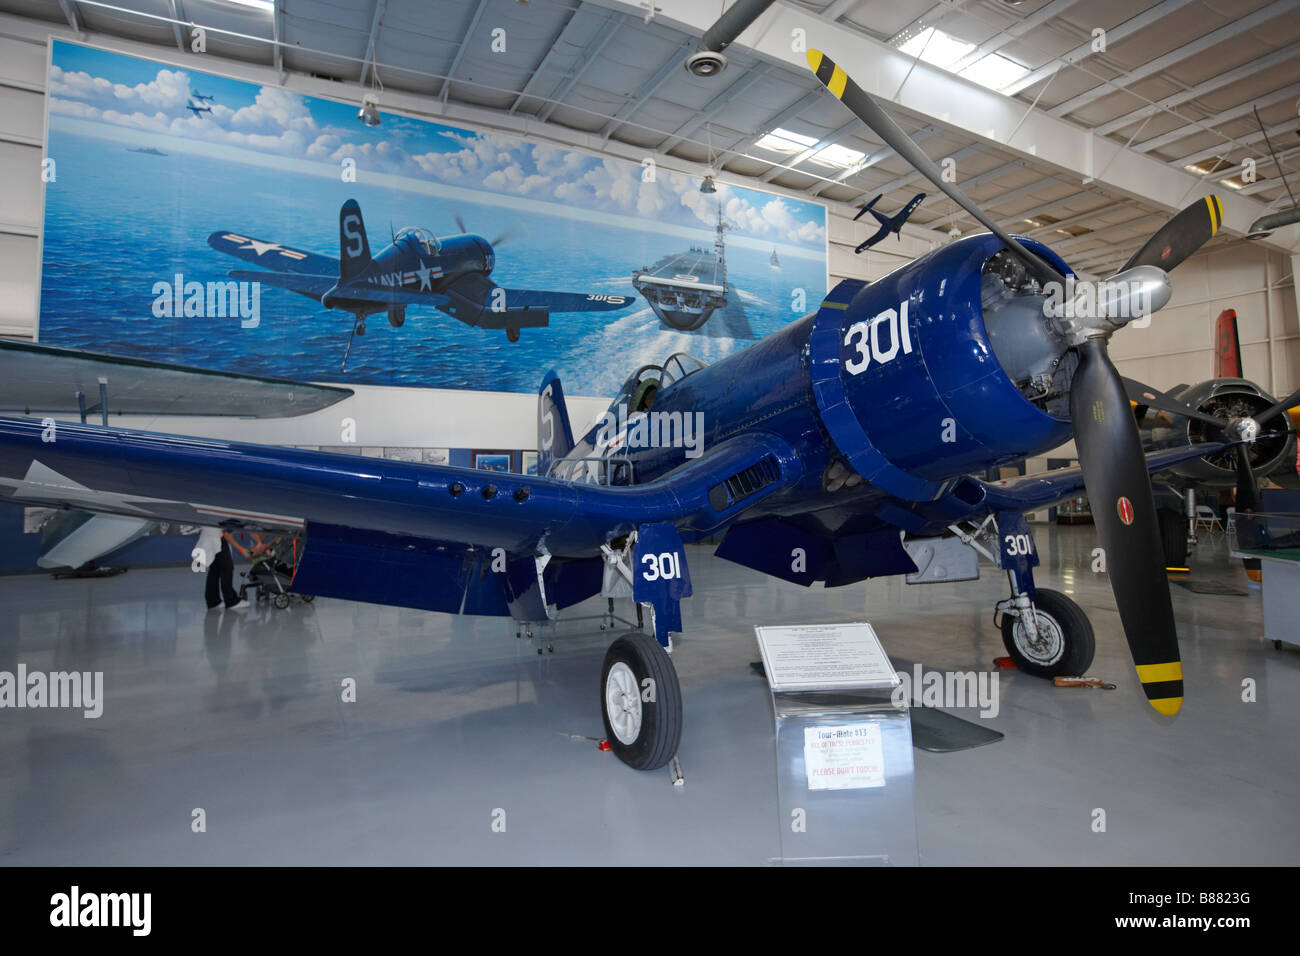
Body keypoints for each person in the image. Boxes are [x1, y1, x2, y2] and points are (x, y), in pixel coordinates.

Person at [196, 526, 250, 611]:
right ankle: (231, 601)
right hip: (217, 537)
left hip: (211, 535)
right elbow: (227, 534)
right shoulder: (234, 518)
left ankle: (213, 601)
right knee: (227, 568)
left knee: (215, 569)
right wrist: (241, 549)